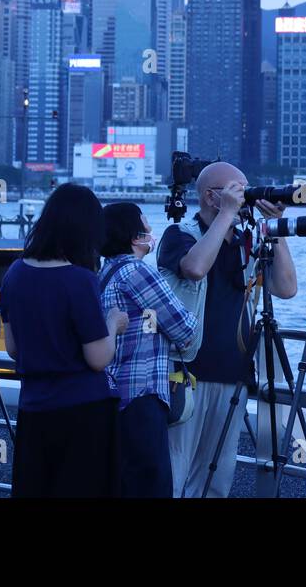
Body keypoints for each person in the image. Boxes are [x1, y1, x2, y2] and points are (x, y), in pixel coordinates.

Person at [155, 161, 299, 498]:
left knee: (216, 479)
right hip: (186, 374)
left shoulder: (245, 242)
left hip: (233, 375)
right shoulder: (179, 236)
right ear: (209, 197)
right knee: (174, 473)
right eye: (237, 191)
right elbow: (193, 268)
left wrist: (274, 225)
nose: (244, 199)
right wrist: (225, 217)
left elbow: (286, 287)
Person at [0, 183, 127, 497]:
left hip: (33, 410)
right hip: (82, 413)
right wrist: (113, 324)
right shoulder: (80, 280)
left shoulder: (14, 274)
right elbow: (98, 358)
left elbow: (13, 348)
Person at [99, 202, 198, 498]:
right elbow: (185, 330)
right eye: (145, 225)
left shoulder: (105, 272)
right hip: (141, 397)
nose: (151, 231)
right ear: (133, 235)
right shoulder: (137, 273)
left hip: (113, 395)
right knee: (150, 487)